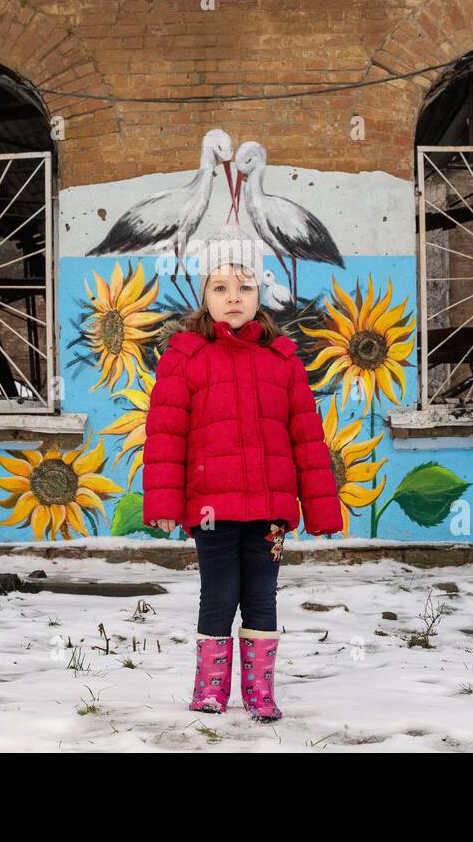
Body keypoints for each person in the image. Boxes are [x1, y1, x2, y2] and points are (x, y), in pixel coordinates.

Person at [142, 224, 343, 721]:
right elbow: (166, 438)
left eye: (245, 287)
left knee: (261, 597)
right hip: (211, 510)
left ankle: (259, 692)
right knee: (219, 594)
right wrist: (165, 506)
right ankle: (211, 688)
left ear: (260, 295)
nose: (233, 298)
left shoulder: (283, 362)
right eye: (220, 287)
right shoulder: (184, 359)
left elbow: (307, 440)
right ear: (204, 296)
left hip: (271, 511)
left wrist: (320, 509)